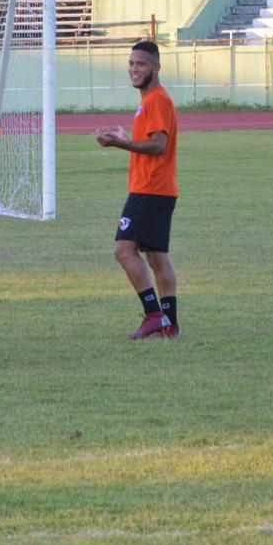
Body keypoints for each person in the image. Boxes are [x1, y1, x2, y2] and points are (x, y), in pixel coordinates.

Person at [97, 41, 180, 340]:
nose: (134, 69)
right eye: (131, 63)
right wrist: (127, 136)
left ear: (156, 67)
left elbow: (158, 145)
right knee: (156, 257)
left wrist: (121, 143)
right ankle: (170, 325)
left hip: (150, 188)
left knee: (124, 250)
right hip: (158, 188)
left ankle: (154, 315)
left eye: (141, 64)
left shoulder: (157, 99)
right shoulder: (150, 100)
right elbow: (151, 141)